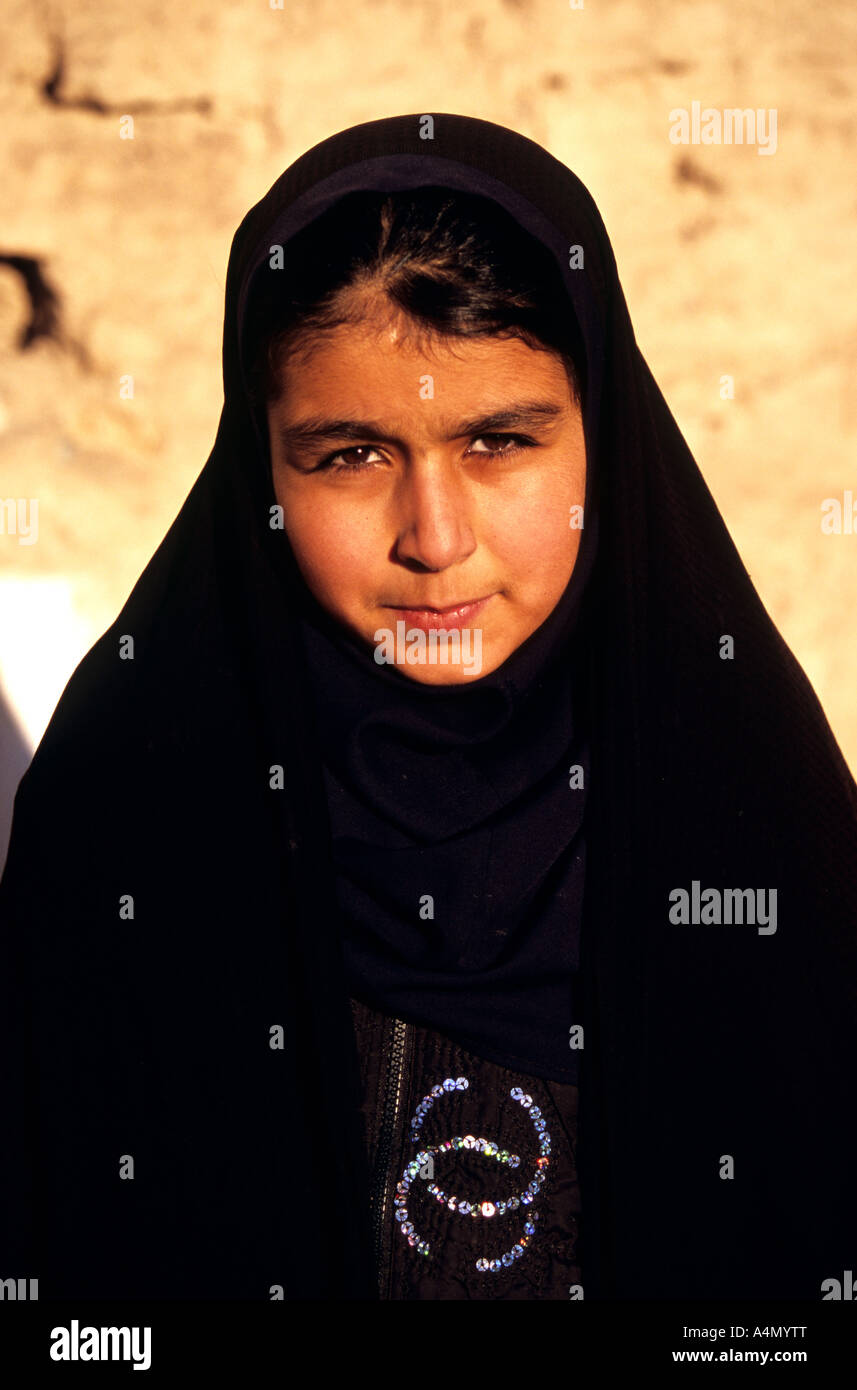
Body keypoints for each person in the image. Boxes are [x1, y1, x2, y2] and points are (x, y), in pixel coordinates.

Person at [1, 112, 856, 1302]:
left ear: (597, 439)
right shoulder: (126, 814)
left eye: (499, 442)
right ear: (260, 466)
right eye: (349, 455)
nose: (435, 540)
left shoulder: (751, 815)